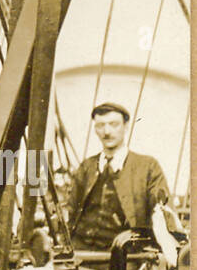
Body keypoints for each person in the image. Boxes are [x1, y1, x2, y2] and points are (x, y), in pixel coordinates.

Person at [67, 102, 170, 252]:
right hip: (80, 253)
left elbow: (163, 213)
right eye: (100, 125)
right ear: (95, 129)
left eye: (113, 124)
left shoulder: (147, 167)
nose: (106, 132)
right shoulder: (86, 167)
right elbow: (70, 212)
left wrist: (136, 234)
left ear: (126, 126)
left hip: (125, 257)